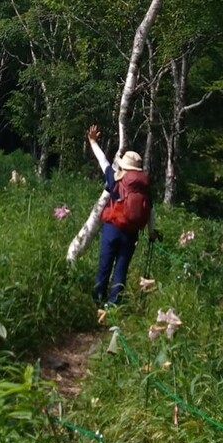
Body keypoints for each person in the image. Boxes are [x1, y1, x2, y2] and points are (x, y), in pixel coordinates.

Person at [79, 122, 154, 308]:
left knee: (105, 265)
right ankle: (113, 305)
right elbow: (151, 210)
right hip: (131, 233)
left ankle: (97, 300)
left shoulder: (115, 178)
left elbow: (103, 161)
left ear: (124, 166)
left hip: (112, 229)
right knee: (121, 268)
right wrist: (152, 232)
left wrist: (93, 142)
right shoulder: (144, 186)